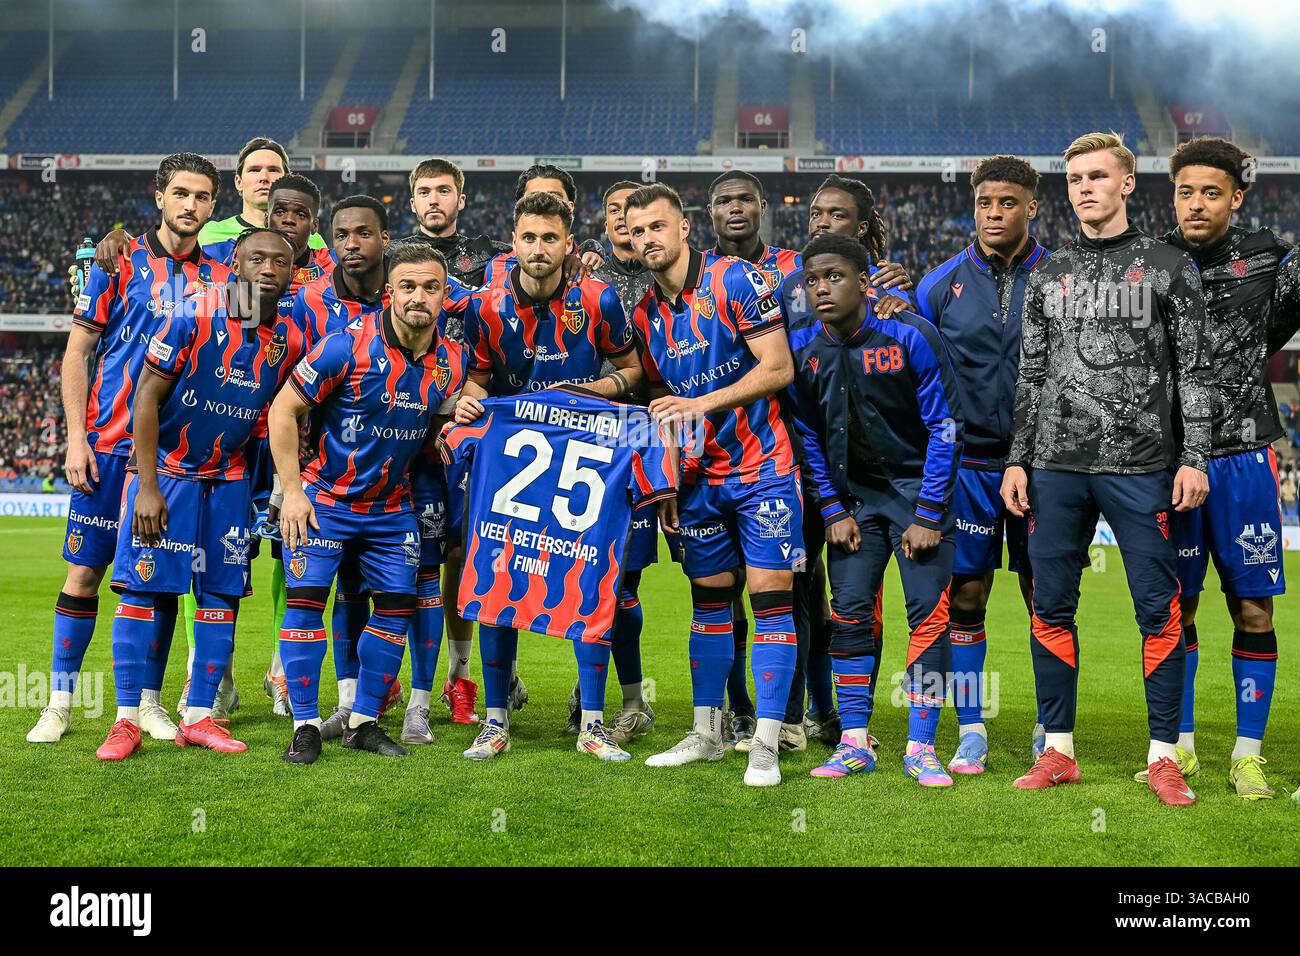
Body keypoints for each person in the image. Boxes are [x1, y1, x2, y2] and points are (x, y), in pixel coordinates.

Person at [1000, 131, 1213, 806]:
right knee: (1051, 605)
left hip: (1142, 466)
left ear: (1127, 183)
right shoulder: (1049, 273)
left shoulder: (1168, 265)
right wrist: (1018, 459)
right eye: (1075, 179)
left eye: (1097, 176)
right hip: (1057, 467)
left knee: (1160, 609)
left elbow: (1196, 370)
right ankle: (1058, 751)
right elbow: (1031, 373)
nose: (1085, 188)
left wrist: (1195, 456)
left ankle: (1162, 757)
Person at [28, 153, 228, 745]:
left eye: (202, 197)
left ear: (213, 206)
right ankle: (59, 702)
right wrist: (75, 437)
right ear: (159, 196)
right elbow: (76, 353)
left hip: (170, 461)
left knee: (158, 581)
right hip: (109, 448)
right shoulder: (118, 263)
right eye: (181, 194)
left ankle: (147, 704)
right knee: (84, 573)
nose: (191, 205)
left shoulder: (220, 278)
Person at [452, 191, 644, 762]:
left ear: (568, 243)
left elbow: (632, 372)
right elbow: (479, 379)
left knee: (591, 584)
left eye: (551, 238)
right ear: (513, 241)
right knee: (497, 582)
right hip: (512, 463)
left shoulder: (599, 299)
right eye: (529, 238)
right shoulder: (485, 308)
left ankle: (591, 723)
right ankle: (495, 720)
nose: (539, 249)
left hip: (583, 462)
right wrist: (468, 400)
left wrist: (586, 394)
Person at [96, 229, 299, 759]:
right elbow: (146, 399)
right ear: (235, 261)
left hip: (229, 483)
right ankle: (126, 719)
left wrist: (267, 494)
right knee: (143, 591)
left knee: (220, 596)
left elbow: (273, 420)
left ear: (293, 269)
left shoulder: (290, 338)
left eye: (281, 261)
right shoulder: (192, 314)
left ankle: (200, 715)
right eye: (257, 258)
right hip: (170, 473)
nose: (269, 269)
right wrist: (146, 487)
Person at [625, 183, 801, 787]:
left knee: (772, 598)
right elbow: (657, 402)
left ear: (683, 229)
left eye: (657, 227)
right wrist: (666, 474)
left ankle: (768, 744)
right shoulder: (644, 315)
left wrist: (700, 404)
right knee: (709, 603)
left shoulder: (736, 282)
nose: (647, 238)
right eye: (637, 229)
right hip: (698, 480)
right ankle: (708, 733)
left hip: (763, 470)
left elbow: (779, 368)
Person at [269, 242, 468, 764]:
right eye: (407, 286)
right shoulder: (344, 346)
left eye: (430, 287)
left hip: (391, 508)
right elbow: (282, 410)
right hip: (324, 503)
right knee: (307, 604)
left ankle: (362, 723)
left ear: (444, 296)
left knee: (395, 612)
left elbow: (436, 409)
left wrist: (454, 411)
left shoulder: (450, 359)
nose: (418, 297)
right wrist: (292, 492)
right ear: (389, 293)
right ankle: (306, 724)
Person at [791, 233, 964, 786]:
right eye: (813, 279)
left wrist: (930, 511)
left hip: (918, 499)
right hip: (855, 504)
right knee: (849, 617)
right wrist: (834, 508)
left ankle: (921, 745)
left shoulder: (912, 335)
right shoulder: (803, 352)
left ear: (865, 283)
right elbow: (809, 436)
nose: (822, 288)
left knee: (929, 619)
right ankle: (854, 741)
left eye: (835, 277)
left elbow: (945, 426)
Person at [1159, 136, 1300, 798]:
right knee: (1176, 610)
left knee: (1254, 610)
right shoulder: (1148, 265)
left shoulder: (1268, 259)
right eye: (1185, 191)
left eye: (1211, 192)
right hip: (1168, 464)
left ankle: (1248, 755)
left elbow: (1270, 331)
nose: (1196, 203)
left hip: (1244, 457)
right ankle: (1181, 749)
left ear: (1236, 198)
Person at [912, 155, 1049, 773]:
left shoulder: (1062, 280)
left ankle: (1051, 730)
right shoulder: (938, 285)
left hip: (1045, 467)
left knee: (1046, 598)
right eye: (985, 203)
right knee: (966, 597)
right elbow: (923, 381)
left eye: (1008, 203)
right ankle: (971, 729)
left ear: (1032, 207)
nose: (994, 214)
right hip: (967, 467)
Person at [779, 173, 911, 750]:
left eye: (835, 215)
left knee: (857, 601)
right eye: (815, 214)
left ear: (863, 227)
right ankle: (812, 711)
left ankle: (850, 720)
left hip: (865, 479)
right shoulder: (788, 287)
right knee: (799, 590)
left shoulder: (894, 290)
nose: (821, 222)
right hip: (797, 465)